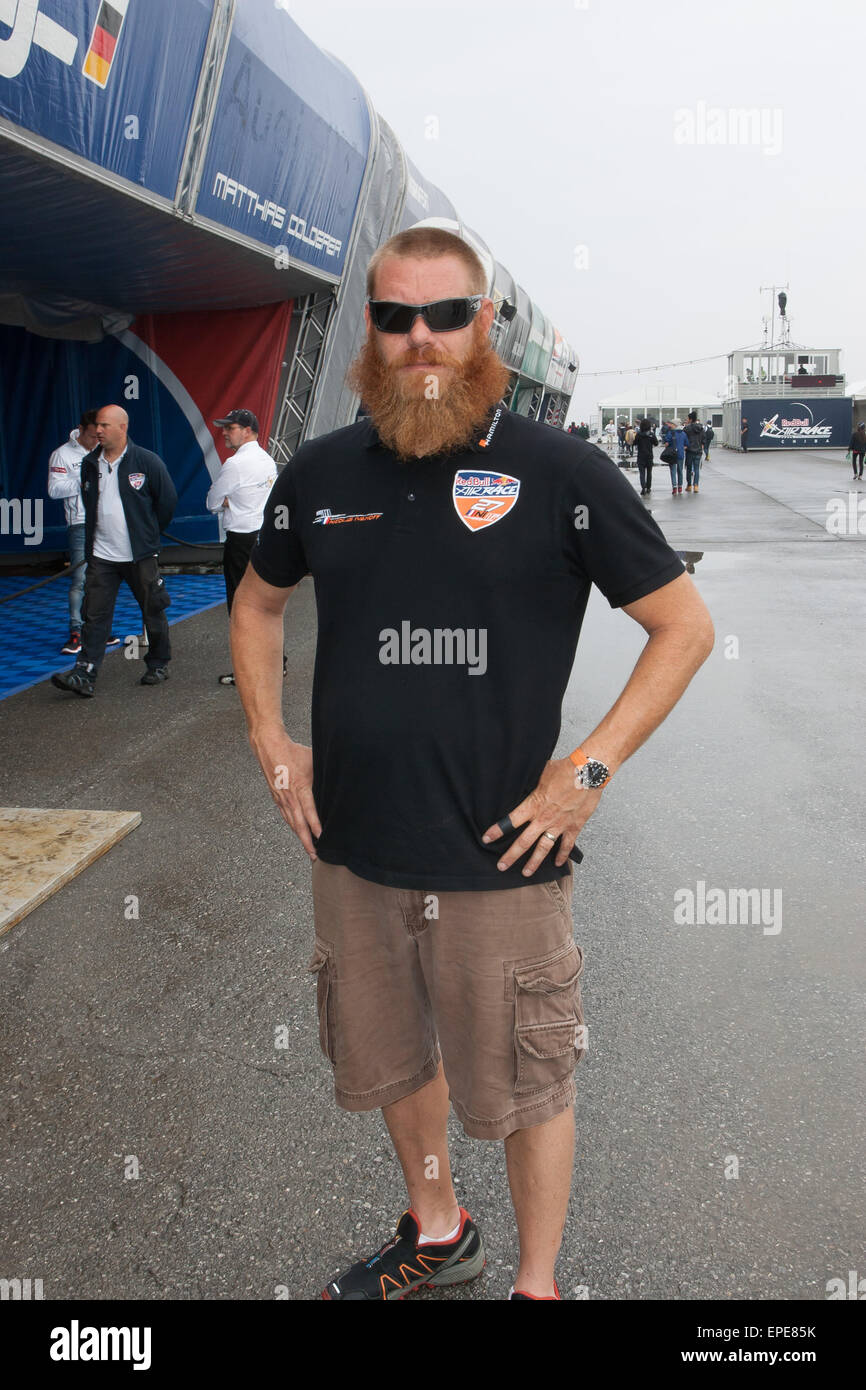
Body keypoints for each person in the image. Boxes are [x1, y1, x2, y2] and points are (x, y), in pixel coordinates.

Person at [229, 225, 714, 1302]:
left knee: (527, 1084)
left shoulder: (557, 472)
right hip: (353, 849)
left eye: (444, 315)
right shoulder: (316, 473)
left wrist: (583, 772)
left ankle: (535, 1285)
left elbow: (680, 627)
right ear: (369, 329)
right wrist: (272, 741)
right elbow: (257, 602)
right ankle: (438, 1232)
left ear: (481, 323)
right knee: (395, 1058)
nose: (420, 339)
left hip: (501, 852)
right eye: (395, 317)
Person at [51, 405, 177, 698]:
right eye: (97, 425)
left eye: (105, 425)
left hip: (139, 555)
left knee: (153, 608)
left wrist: (147, 534)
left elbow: (167, 501)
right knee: (94, 615)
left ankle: (158, 663)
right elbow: (87, 498)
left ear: (123, 427)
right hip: (102, 556)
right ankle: (84, 673)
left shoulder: (147, 461)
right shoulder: (89, 463)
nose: (98, 430)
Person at [207, 408, 279, 686]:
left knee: (240, 608)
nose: (225, 432)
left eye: (230, 427)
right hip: (263, 537)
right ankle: (276, 663)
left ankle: (248, 672)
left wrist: (225, 503)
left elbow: (212, 500)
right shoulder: (266, 458)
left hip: (240, 540)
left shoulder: (234, 464)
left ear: (247, 430)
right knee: (265, 605)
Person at [47, 410, 98, 655]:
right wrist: (83, 480)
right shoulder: (62, 454)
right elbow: (54, 490)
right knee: (80, 579)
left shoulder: (104, 448)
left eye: (98, 435)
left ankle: (97, 628)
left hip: (106, 522)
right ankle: (76, 631)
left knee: (102, 579)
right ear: (80, 429)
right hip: (79, 523)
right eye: (90, 436)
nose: (95, 441)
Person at [634, 418, 658, 496]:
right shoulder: (651, 434)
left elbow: (634, 443)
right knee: (649, 473)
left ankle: (643, 488)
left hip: (641, 456)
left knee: (642, 473)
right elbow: (656, 443)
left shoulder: (638, 434)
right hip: (649, 456)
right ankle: (648, 488)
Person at [683, 410, 704, 493]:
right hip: (698, 451)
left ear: (691, 419)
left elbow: (684, 439)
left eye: (688, 418)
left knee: (689, 469)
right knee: (696, 469)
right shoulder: (701, 428)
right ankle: (696, 486)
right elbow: (704, 439)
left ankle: (689, 485)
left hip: (689, 451)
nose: (687, 420)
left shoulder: (687, 429)